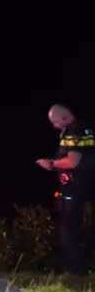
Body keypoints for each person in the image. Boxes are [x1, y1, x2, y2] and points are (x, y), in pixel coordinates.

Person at [37, 104, 95, 275]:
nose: (54, 126)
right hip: (84, 186)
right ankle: (81, 267)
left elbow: (72, 162)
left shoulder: (74, 131)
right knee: (76, 228)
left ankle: (75, 271)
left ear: (65, 117)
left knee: (68, 230)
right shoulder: (85, 128)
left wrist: (51, 164)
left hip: (76, 188)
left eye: (55, 122)